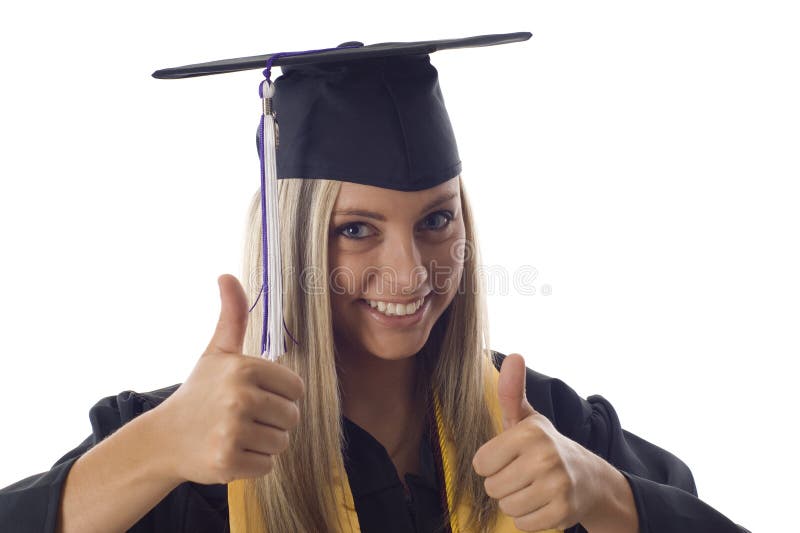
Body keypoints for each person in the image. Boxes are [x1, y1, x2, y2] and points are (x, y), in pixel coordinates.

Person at [0, 33, 750, 533]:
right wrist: (155, 451)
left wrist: (607, 494)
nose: (412, 271)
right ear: (290, 241)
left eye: (436, 220)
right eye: (355, 229)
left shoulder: (543, 426)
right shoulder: (194, 449)